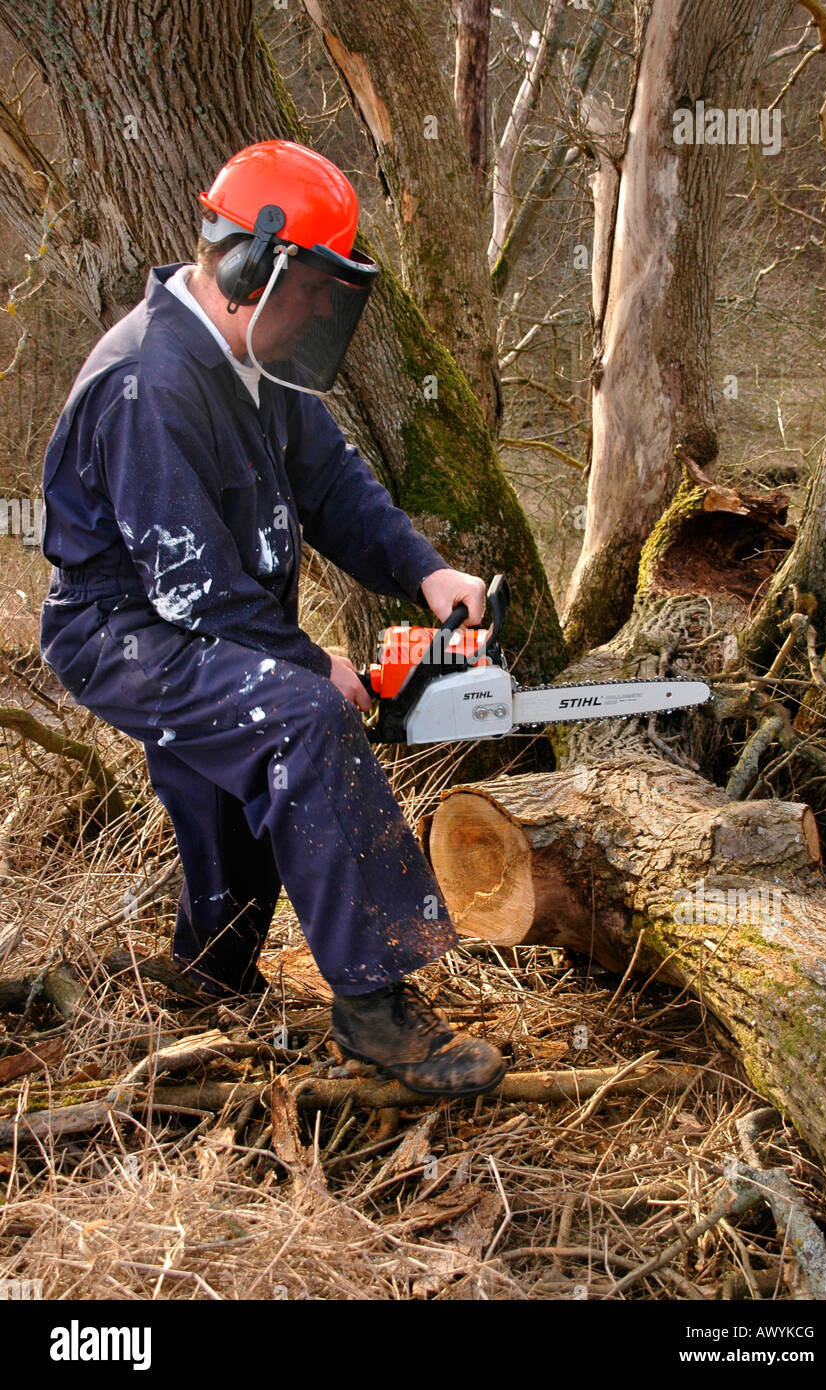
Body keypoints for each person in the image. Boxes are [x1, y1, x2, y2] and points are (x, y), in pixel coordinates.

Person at [39, 139, 505, 1098]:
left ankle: (209, 970)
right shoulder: (151, 382)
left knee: (235, 751)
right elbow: (189, 584)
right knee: (300, 715)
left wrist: (424, 573)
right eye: (319, 286)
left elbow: (332, 484)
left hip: (198, 610)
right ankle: (375, 1004)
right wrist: (309, 663)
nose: (326, 310)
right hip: (123, 624)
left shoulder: (253, 363)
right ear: (260, 265)